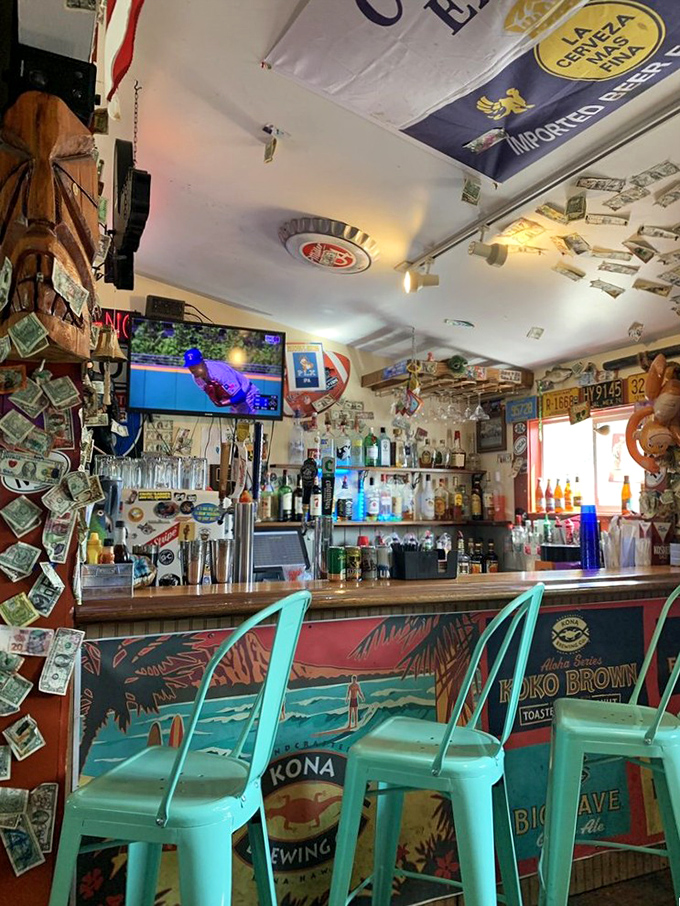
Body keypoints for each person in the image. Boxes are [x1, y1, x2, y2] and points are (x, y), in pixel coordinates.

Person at [184, 348, 258, 414]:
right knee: (235, 423)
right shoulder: (196, 377)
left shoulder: (219, 374)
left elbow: (241, 396)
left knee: (245, 424)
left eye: (195, 365)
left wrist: (222, 403)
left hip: (248, 394)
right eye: (190, 366)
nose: (193, 369)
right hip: (234, 400)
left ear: (202, 362)